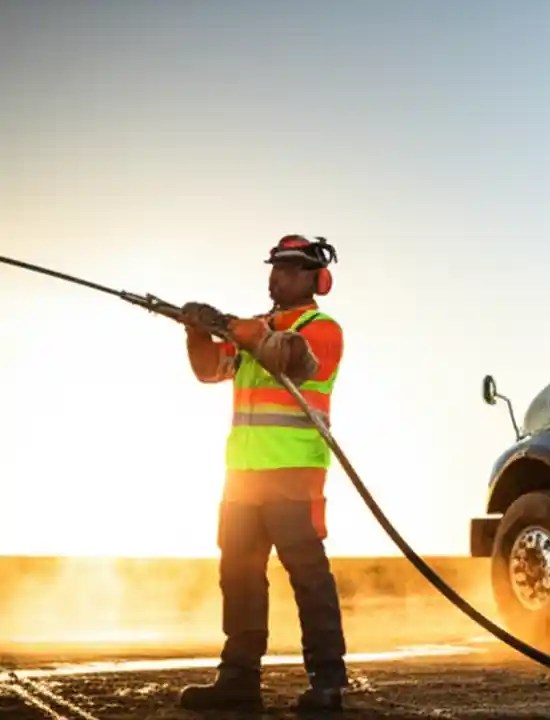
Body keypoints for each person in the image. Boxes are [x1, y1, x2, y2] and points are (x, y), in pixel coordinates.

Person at [176, 235, 349, 711]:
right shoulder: (253, 329)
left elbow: (290, 358)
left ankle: (328, 683)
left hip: (293, 474)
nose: (279, 276)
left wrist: (232, 326)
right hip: (243, 476)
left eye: (292, 269)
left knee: (308, 576)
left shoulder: (323, 327)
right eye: (276, 267)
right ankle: (238, 678)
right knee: (239, 573)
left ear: (317, 279)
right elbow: (211, 371)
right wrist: (197, 333)